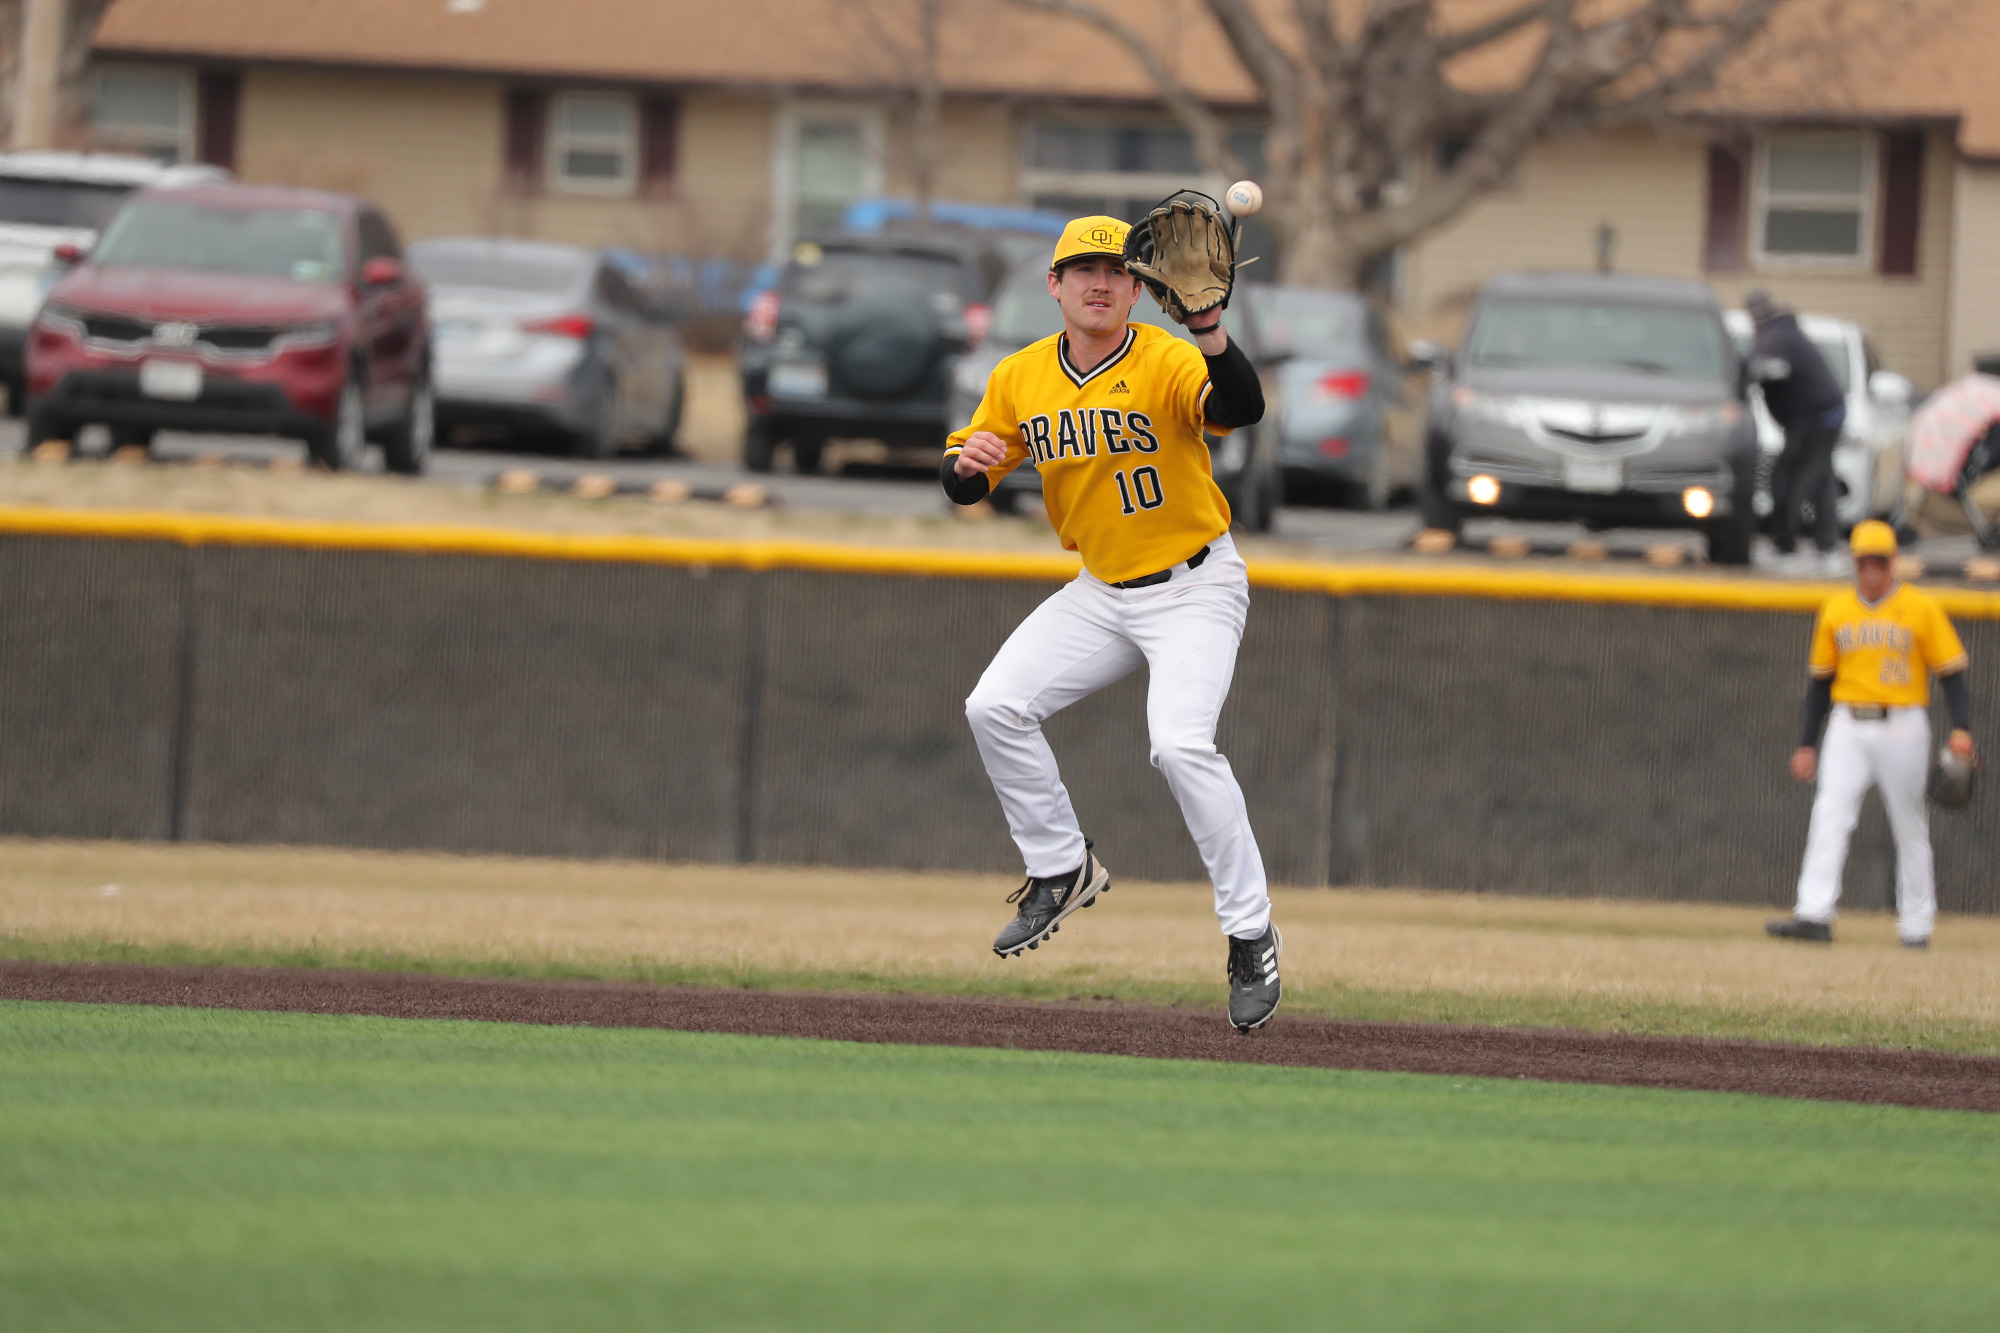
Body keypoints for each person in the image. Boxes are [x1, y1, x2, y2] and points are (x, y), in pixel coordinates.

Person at [940, 214, 1280, 1031]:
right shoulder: (1022, 376)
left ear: (1138, 288)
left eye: (1117, 272)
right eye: (1082, 270)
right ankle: (1061, 867)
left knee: (1180, 743)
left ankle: (1249, 932)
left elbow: (1244, 407)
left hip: (1195, 584)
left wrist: (1208, 329)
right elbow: (965, 477)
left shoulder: (1167, 358)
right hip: (1101, 591)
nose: (1100, 283)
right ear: (1053, 286)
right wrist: (965, 468)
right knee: (994, 706)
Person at [1769, 520, 1975, 948]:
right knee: (1830, 814)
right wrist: (1807, 743)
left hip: (1903, 723)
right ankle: (1813, 914)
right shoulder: (1837, 609)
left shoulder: (1919, 608)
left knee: (1910, 824)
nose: (1872, 571)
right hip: (1847, 724)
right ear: (1855, 563)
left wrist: (1962, 729)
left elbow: (1952, 673)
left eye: (1879, 563)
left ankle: (1916, 926)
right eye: (1865, 563)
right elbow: (1820, 683)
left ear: (1893, 563)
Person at [1746, 290, 1848, 576]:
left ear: (1756, 318)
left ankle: (1784, 547)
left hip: (1814, 420)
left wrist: (1743, 373)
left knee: (1789, 478)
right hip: (1825, 416)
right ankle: (1827, 549)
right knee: (1820, 481)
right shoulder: (1785, 332)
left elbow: (1767, 364)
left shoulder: (1775, 337)